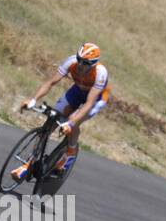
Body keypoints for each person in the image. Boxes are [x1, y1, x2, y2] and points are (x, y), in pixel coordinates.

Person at [18, 43, 109, 180]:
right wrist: (33, 99)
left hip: (96, 99)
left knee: (74, 119)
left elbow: (89, 103)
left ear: (94, 64)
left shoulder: (100, 73)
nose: (80, 64)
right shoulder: (71, 61)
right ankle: (30, 163)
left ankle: (71, 152)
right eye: (79, 59)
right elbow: (51, 82)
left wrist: (71, 123)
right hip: (77, 91)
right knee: (52, 119)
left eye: (85, 63)